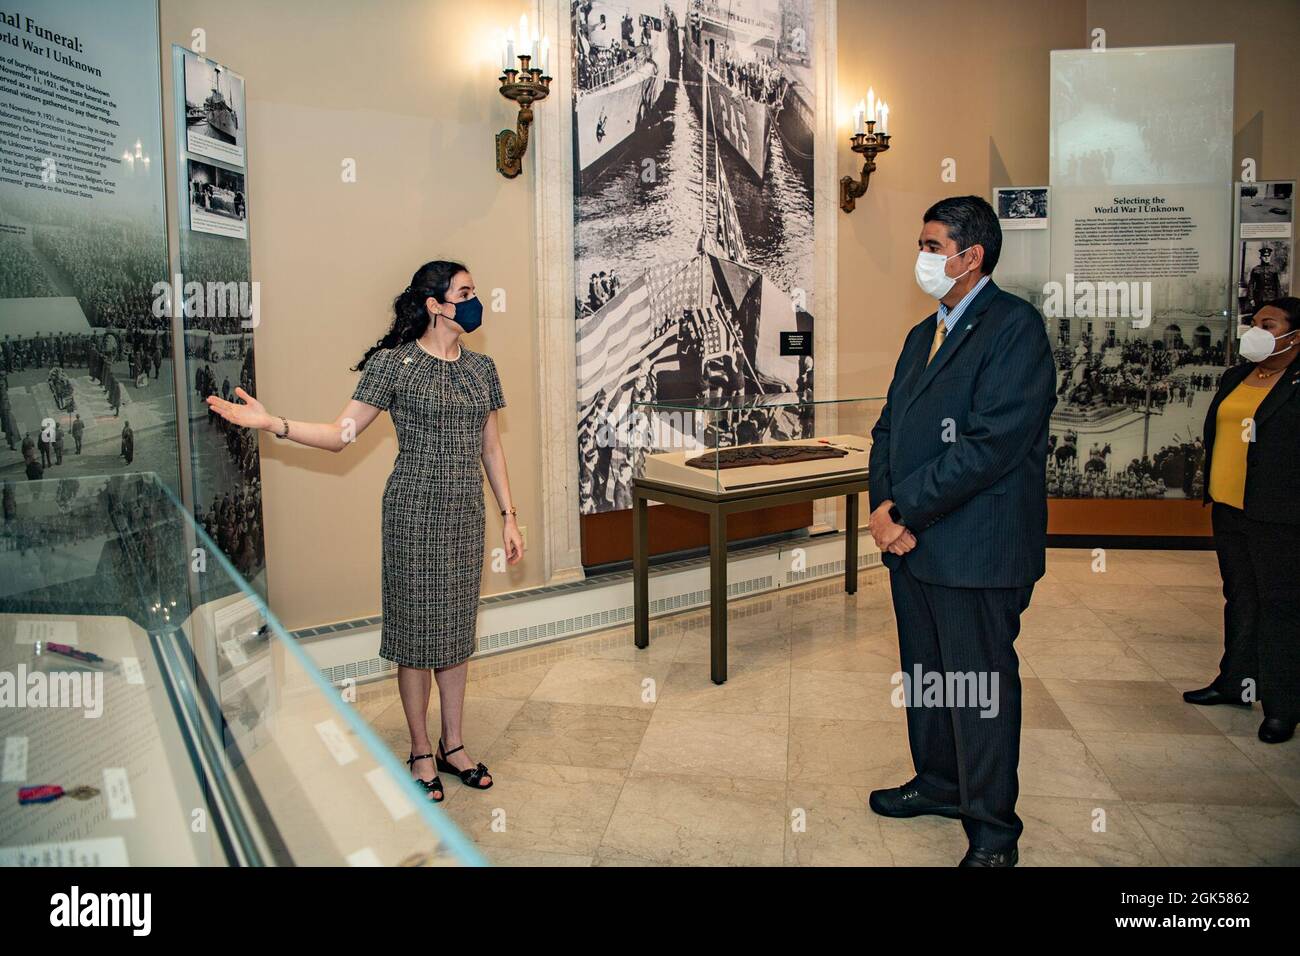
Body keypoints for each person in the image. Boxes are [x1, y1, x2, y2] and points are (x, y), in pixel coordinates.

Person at [206, 259, 524, 802]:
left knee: (453, 632)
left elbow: (491, 448)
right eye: (466, 292)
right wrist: (273, 423)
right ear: (435, 304)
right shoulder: (393, 365)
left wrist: (509, 515)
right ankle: (421, 749)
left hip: (465, 516)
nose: (476, 301)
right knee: (414, 634)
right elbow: (338, 435)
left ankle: (454, 744)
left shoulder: (483, 369)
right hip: (411, 514)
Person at [866, 195, 1057, 867]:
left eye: (931, 246)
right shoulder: (925, 333)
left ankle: (993, 832)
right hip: (914, 548)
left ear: (970, 257)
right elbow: (888, 428)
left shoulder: (1015, 329)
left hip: (975, 549)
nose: (921, 258)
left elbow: (990, 445)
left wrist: (904, 511)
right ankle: (940, 784)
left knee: (977, 691)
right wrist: (882, 510)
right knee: (928, 679)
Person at [1184, 297, 1300, 743]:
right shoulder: (1239, 376)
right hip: (1230, 508)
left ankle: (1282, 704)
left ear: (1294, 334)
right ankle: (1235, 682)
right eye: (1254, 322)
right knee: (1241, 598)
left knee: (1281, 607)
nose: (1255, 329)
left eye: (1267, 324)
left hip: (1279, 514)